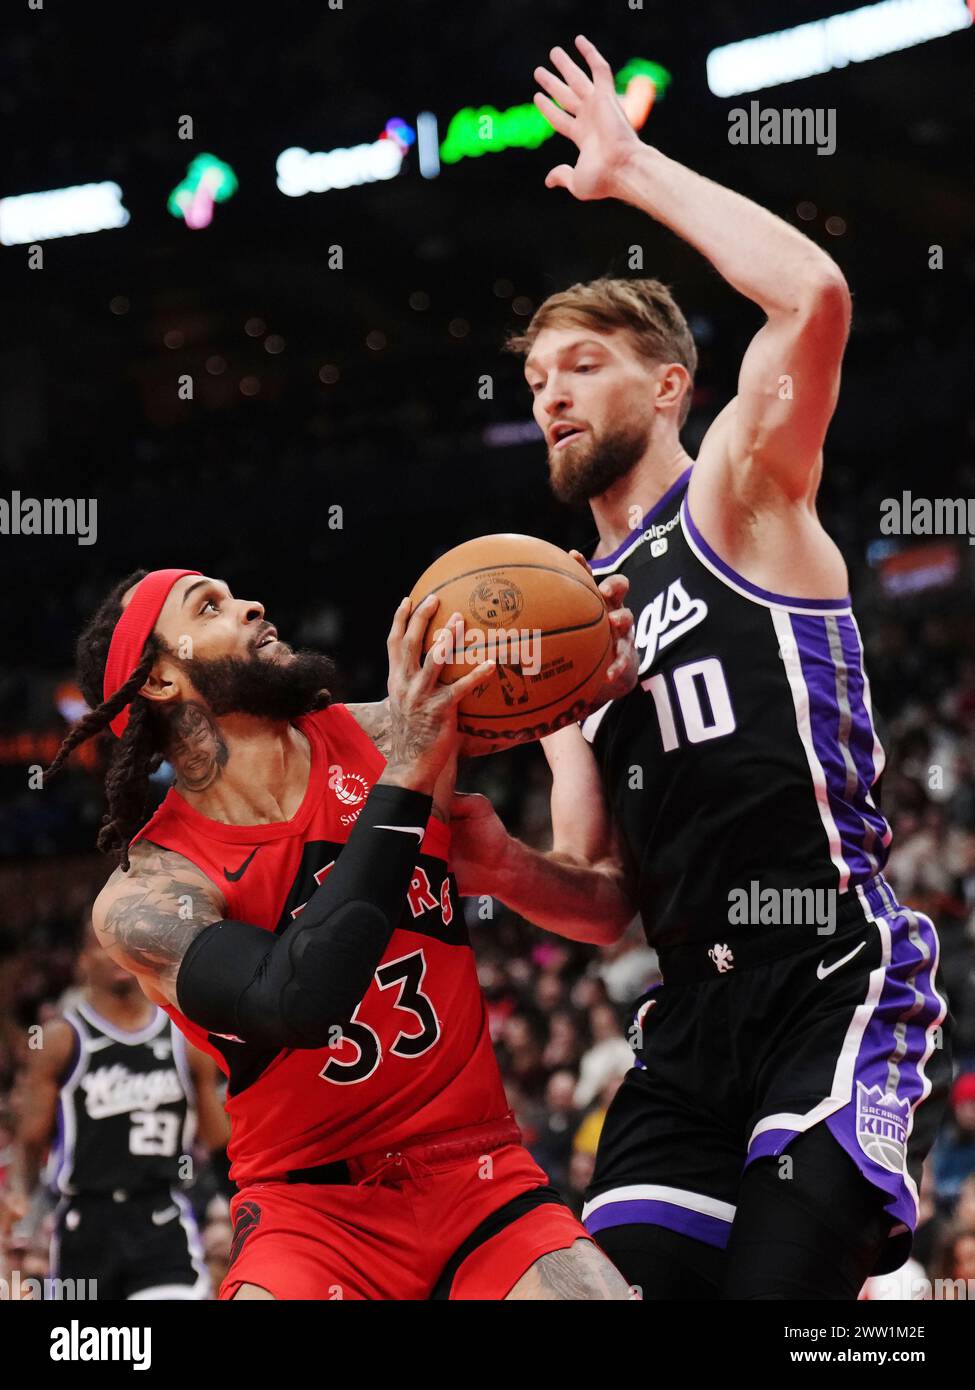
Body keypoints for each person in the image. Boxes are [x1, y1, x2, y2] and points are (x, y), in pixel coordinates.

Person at [449, 34, 952, 1299]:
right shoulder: (563, 632)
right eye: (534, 378)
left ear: (673, 385)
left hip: (828, 982)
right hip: (689, 1029)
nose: (551, 394)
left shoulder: (738, 496)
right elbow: (606, 896)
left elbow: (814, 299)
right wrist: (491, 859)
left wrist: (631, 167)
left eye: (583, 365)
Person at [42, 567, 632, 1300]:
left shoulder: (387, 733)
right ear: (161, 681)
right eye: (210, 605)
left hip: (480, 1177)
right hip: (312, 1214)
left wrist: (582, 676)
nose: (253, 602)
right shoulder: (148, 895)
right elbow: (295, 1000)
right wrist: (414, 772)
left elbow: (602, 907)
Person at [6, 921, 226, 1299]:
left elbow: (219, 1139)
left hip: (161, 1219)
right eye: (101, 945)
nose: (116, 955)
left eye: (126, 945)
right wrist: (21, 1203)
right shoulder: (60, 1040)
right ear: (81, 962)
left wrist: (241, 1202)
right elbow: (30, 1139)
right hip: (84, 1225)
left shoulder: (185, 1038)